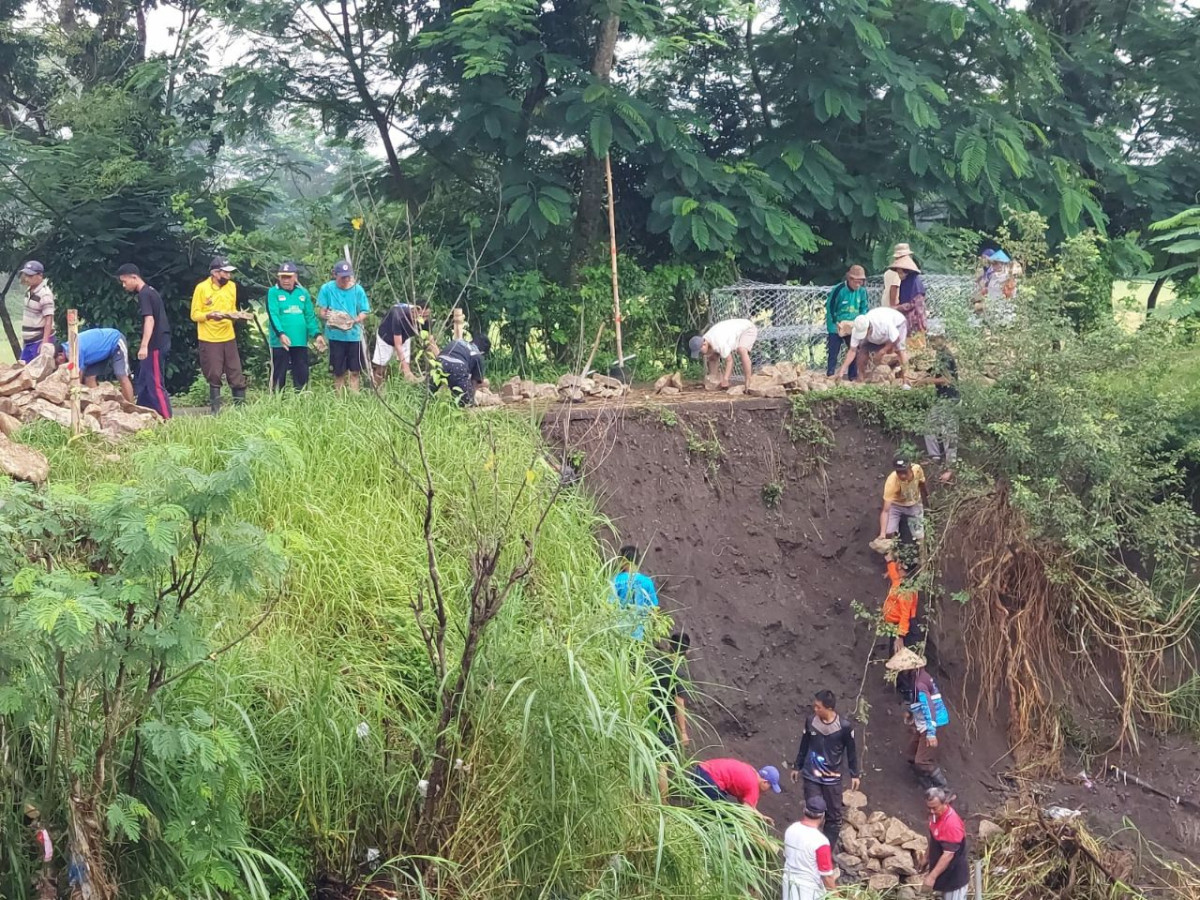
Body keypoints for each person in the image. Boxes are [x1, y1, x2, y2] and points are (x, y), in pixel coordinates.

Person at [790, 690, 861, 850]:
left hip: (832, 777)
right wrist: (797, 766)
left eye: (818, 707)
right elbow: (804, 744)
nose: (815, 710)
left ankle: (826, 852)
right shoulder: (810, 722)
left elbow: (851, 750)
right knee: (813, 811)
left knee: (834, 817)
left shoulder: (844, 727)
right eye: (814, 707)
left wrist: (854, 774)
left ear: (829, 708)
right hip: (811, 775)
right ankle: (808, 849)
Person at [190, 256, 247, 412]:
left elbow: (232, 309)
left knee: (235, 371)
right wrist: (209, 315)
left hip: (229, 335)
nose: (229, 276)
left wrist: (238, 315)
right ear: (215, 273)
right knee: (214, 374)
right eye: (225, 273)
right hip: (209, 337)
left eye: (230, 273)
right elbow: (194, 315)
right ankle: (216, 411)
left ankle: (240, 411)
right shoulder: (202, 288)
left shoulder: (232, 287)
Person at [116, 264, 172, 419]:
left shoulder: (144, 294)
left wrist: (144, 346)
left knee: (155, 383)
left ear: (134, 277)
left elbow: (149, 320)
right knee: (143, 382)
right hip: (159, 341)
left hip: (155, 344)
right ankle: (144, 416)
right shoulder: (151, 291)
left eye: (124, 281)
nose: (124, 285)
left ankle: (168, 419)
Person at [889, 649, 950, 789]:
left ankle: (945, 789)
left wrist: (930, 733)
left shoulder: (919, 684)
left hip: (933, 723)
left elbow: (929, 707)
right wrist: (911, 713)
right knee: (911, 755)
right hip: (924, 722)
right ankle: (926, 785)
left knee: (922, 761)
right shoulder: (918, 678)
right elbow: (919, 702)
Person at [266, 262, 324, 392]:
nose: (286, 280)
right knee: (279, 373)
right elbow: (273, 314)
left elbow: (309, 316)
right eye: (283, 277)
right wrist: (281, 334)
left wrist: (317, 334)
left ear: (295, 277)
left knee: (301, 372)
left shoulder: (302, 293)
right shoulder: (273, 292)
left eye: (289, 277)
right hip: (280, 342)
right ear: (278, 277)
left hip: (299, 341)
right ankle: (276, 401)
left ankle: (301, 401)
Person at [317, 261, 370, 394]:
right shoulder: (327, 289)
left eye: (348, 277)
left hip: (353, 335)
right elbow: (321, 312)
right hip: (335, 336)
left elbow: (365, 311)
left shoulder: (358, 290)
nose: (345, 280)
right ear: (335, 275)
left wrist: (354, 320)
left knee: (355, 370)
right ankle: (340, 398)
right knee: (338, 371)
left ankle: (355, 395)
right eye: (342, 277)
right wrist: (329, 316)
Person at [650, 632, 691, 801]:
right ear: (686, 652)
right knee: (662, 764)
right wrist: (682, 731)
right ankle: (663, 804)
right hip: (663, 722)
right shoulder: (678, 673)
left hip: (646, 716)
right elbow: (679, 704)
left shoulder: (656, 664)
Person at [782, 794, 839, 900]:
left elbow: (786, 856)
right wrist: (836, 897)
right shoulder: (821, 842)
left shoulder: (791, 829)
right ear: (822, 816)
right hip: (808, 890)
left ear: (804, 811)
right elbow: (827, 877)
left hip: (788, 884)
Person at [56, 327, 134, 402]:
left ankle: (131, 408)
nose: (58, 365)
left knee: (121, 376)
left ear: (61, 355)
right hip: (97, 352)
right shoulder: (68, 348)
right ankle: (97, 404)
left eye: (57, 362)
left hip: (115, 340)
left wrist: (72, 393)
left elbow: (78, 375)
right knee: (89, 378)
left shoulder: (73, 350)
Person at [923, 324, 959, 483]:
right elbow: (937, 370)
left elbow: (947, 379)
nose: (932, 343)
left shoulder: (946, 355)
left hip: (950, 399)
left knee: (948, 432)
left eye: (934, 339)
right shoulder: (940, 354)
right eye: (931, 340)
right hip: (942, 399)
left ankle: (951, 467)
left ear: (942, 339)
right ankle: (935, 457)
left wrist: (927, 381)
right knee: (930, 426)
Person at [834, 306, 909, 383]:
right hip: (880, 335)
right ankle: (861, 378)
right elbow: (852, 351)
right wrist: (841, 371)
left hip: (898, 324)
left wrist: (883, 351)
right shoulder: (857, 327)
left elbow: (896, 338)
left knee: (900, 349)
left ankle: (906, 377)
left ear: (868, 328)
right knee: (863, 350)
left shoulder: (883, 323)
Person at [921, 787, 969, 900]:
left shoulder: (952, 824)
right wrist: (926, 857)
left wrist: (931, 877)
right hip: (944, 875)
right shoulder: (934, 816)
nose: (931, 811)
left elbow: (948, 855)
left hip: (954, 878)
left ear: (944, 804)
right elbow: (933, 838)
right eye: (929, 808)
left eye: (934, 808)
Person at [690, 758, 780, 818]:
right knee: (725, 818)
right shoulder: (754, 787)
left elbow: (746, 803)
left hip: (700, 769)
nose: (768, 790)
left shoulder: (751, 771)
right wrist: (764, 842)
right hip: (709, 780)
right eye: (770, 787)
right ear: (765, 782)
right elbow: (746, 815)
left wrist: (760, 816)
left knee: (714, 805)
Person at [824, 265, 869, 379]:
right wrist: (835, 323)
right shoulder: (839, 290)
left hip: (853, 325)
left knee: (854, 349)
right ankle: (831, 375)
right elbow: (831, 307)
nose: (858, 285)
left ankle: (852, 376)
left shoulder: (862, 292)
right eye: (856, 282)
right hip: (837, 324)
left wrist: (860, 320)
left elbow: (864, 308)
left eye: (860, 282)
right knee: (834, 351)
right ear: (849, 279)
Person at [688, 318, 758, 389]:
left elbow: (730, 361)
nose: (700, 353)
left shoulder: (718, 343)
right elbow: (712, 357)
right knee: (712, 356)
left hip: (747, 329)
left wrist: (725, 379)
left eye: (700, 351)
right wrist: (711, 381)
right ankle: (713, 379)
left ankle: (748, 381)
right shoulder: (705, 339)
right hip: (734, 331)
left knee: (742, 350)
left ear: (704, 344)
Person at [372, 303, 430, 385]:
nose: (424, 320)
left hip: (404, 337)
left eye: (427, 316)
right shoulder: (399, 316)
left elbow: (431, 341)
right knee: (380, 369)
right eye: (422, 316)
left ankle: (402, 389)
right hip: (385, 337)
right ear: (414, 311)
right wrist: (407, 371)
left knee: (405, 365)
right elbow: (398, 345)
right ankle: (378, 390)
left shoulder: (424, 320)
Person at [611, 545, 659, 640]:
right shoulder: (647, 582)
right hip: (638, 634)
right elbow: (654, 609)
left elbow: (609, 606)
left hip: (617, 634)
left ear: (624, 561)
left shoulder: (616, 580)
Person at [877, 458, 929, 545]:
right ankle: (892, 556)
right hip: (896, 505)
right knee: (889, 533)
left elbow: (922, 484)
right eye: (899, 473)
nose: (902, 476)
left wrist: (927, 499)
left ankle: (923, 557)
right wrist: (882, 533)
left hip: (914, 503)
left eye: (905, 472)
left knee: (919, 535)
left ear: (910, 468)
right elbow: (885, 511)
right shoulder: (892, 481)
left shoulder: (917, 470)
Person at [428, 336, 488, 406]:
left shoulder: (458, 341)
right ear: (483, 352)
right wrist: (471, 396)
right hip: (458, 367)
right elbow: (475, 382)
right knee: (466, 402)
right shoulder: (478, 355)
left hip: (440, 362)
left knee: (428, 392)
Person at [882, 549, 919, 657]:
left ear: (902, 567)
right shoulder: (901, 581)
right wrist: (889, 562)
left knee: (899, 659)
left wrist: (900, 636)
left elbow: (905, 614)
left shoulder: (906, 589)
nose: (897, 565)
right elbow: (894, 576)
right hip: (896, 627)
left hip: (903, 629)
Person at [18, 261, 55, 363]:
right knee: (24, 372)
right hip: (28, 342)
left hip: (39, 341)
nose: (27, 278)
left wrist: (45, 342)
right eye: (26, 275)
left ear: (40, 275)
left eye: (30, 275)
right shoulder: (29, 291)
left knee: (38, 374)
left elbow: (49, 319)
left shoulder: (45, 294)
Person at [892, 244, 928, 338]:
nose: (899, 274)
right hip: (905, 320)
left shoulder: (915, 282)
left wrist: (897, 308)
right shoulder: (904, 282)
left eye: (900, 272)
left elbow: (915, 305)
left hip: (915, 322)